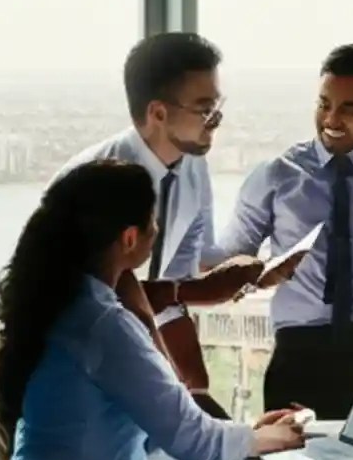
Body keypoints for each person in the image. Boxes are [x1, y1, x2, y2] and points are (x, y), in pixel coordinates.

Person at [0, 160, 304, 460]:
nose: (157, 231)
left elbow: (159, 432)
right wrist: (266, 441)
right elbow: (192, 440)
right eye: (154, 221)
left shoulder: (67, 308)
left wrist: (246, 435)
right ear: (129, 238)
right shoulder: (104, 325)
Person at [46, 32, 268, 420]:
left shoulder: (193, 168)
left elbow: (171, 293)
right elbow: (96, 300)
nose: (215, 122)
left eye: (217, 108)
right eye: (205, 110)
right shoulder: (95, 184)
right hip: (73, 373)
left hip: (127, 365)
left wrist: (197, 390)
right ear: (158, 113)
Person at [209, 44, 353, 419]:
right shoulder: (276, 175)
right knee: (291, 453)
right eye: (324, 104)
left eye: (349, 108)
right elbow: (230, 258)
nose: (332, 119)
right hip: (299, 349)